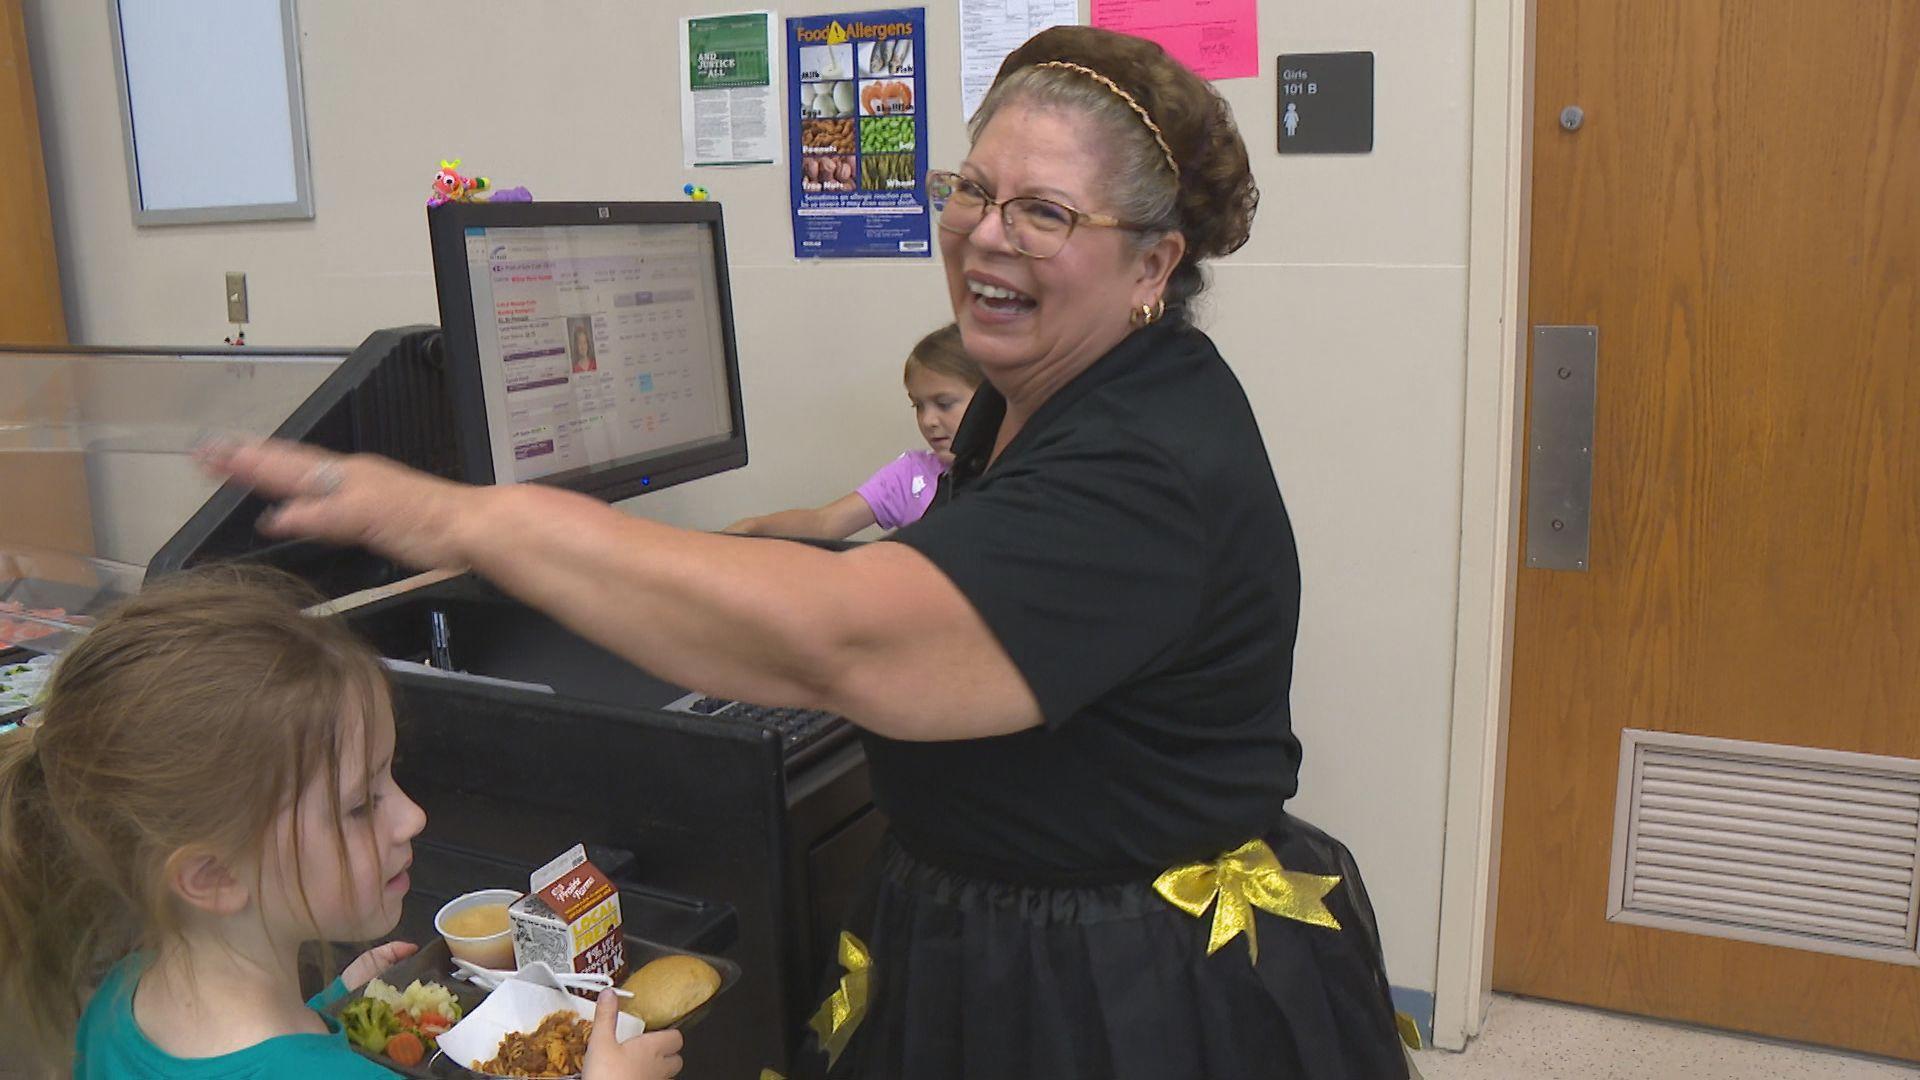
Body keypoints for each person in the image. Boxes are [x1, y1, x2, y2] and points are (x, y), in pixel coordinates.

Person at [206, 24, 1411, 1080]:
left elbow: (843, 638)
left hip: (1109, 977)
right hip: (992, 915)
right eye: (971, 191)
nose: (986, 238)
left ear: (1153, 265)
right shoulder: (1027, 398)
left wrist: (456, 517)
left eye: (1045, 212)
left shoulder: (1144, 465)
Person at [0, 570, 685, 1079]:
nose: (412, 815)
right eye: (360, 804)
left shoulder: (122, 1002)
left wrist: (331, 1006)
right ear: (211, 875)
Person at [725, 323, 981, 539]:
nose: (928, 420)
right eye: (918, 406)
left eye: (944, 404)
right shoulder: (911, 474)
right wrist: (754, 528)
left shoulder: (1013, 478)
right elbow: (824, 523)